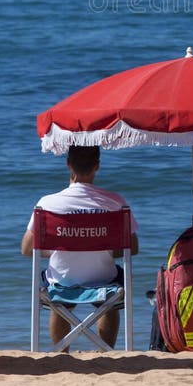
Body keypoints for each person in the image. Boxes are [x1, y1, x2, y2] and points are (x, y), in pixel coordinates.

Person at [21, 145, 138, 349]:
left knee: (59, 296)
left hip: (61, 284)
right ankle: (106, 351)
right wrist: (99, 245)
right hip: (104, 282)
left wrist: (63, 244)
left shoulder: (47, 204)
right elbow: (132, 247)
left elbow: (27, 249)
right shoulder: (116, 203)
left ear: (68, 164)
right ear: (97, 166)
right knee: (110, 297)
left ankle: (61, 353)